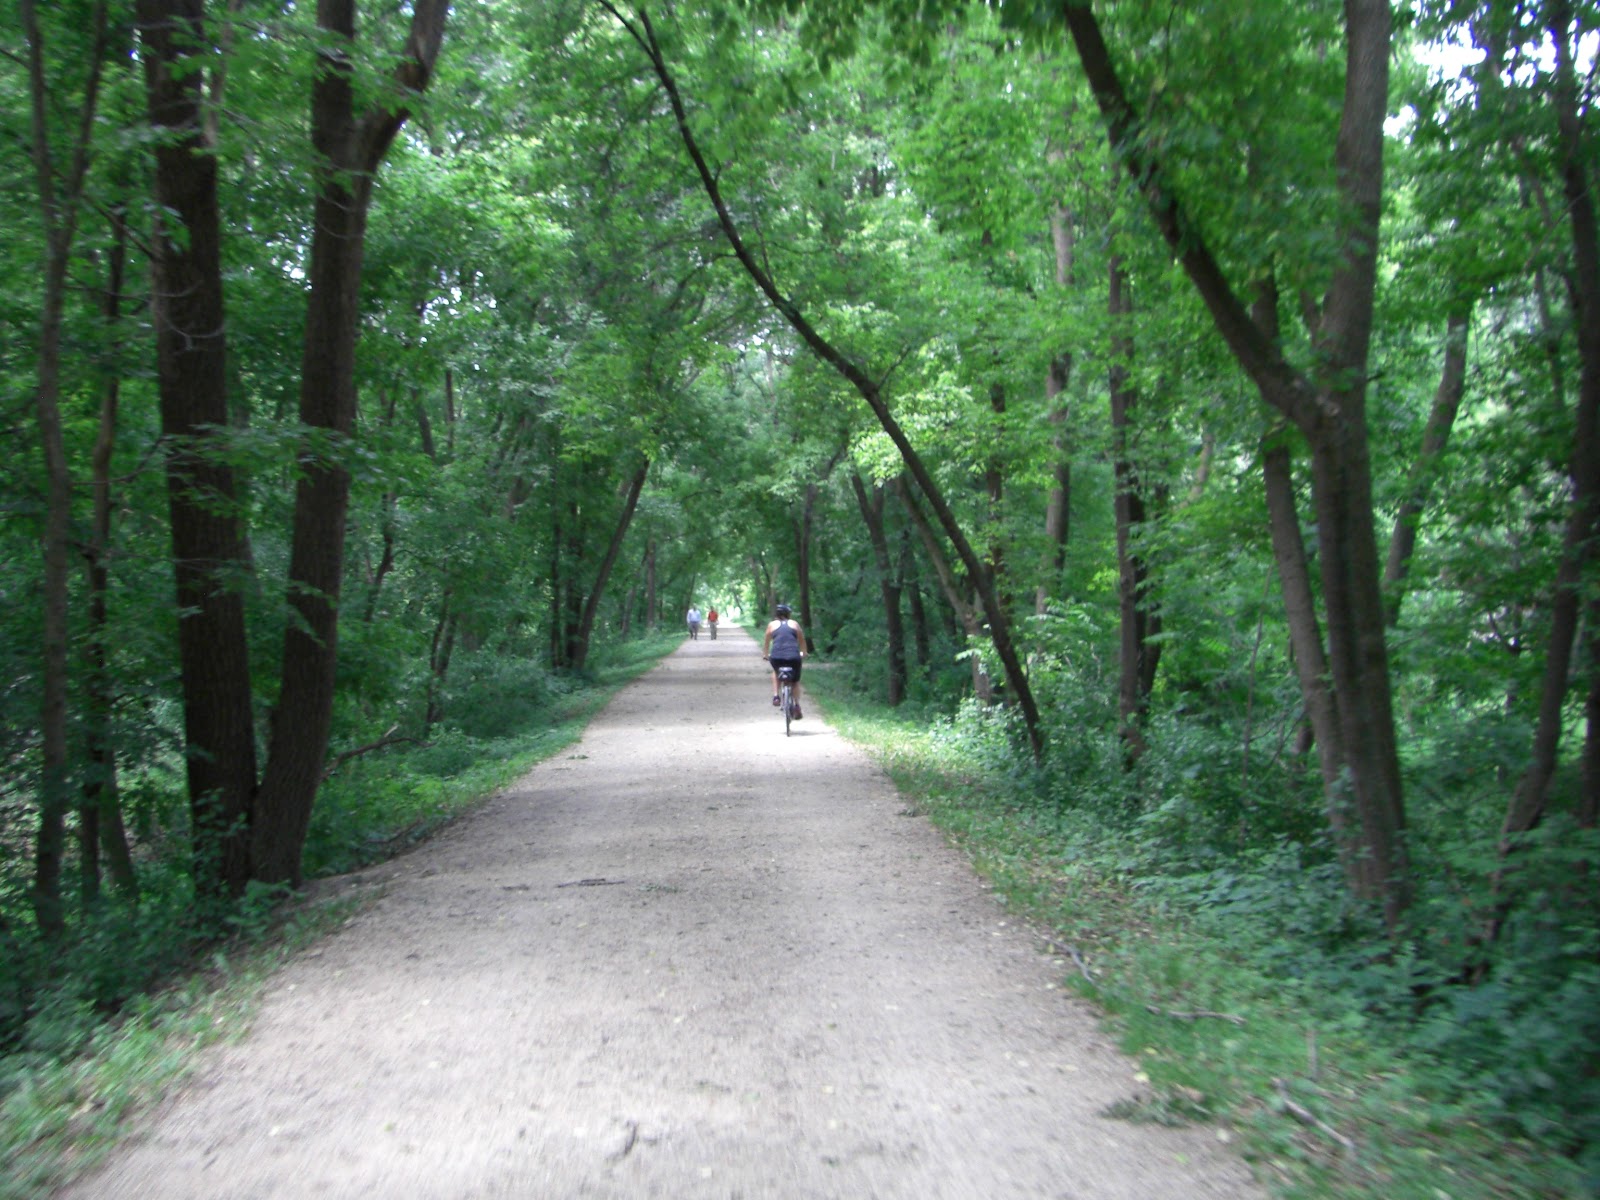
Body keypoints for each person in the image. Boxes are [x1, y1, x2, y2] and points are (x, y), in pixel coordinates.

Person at [761, 602, 807, 719]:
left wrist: (765, 654)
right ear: (788, 614)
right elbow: (802, 641)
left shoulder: (771, 625)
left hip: (777, 656)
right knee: (795, 681)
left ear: (776, 614)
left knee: (776, 672)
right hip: (793, 656)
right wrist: (804, 653)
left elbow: (766, 642)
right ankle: (796, 705)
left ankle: (776, 696)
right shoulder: (794, 624)